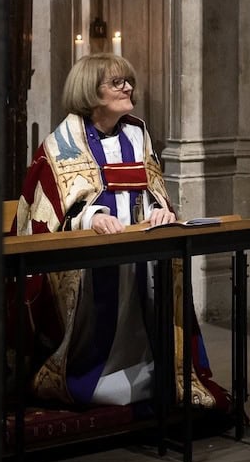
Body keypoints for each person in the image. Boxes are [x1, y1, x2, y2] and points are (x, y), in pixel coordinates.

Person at [16, 53, 228, 409]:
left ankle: (148, 370)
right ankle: (82, 376)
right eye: (117, 82)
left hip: (139, 259)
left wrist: (160, 211)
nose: (128, 86)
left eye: (128, 80)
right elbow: (52, 208)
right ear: (90, 92)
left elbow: (153, 188)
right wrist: (91, 217)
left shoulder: (137, 133)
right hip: (90, 264)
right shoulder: (62, 143)